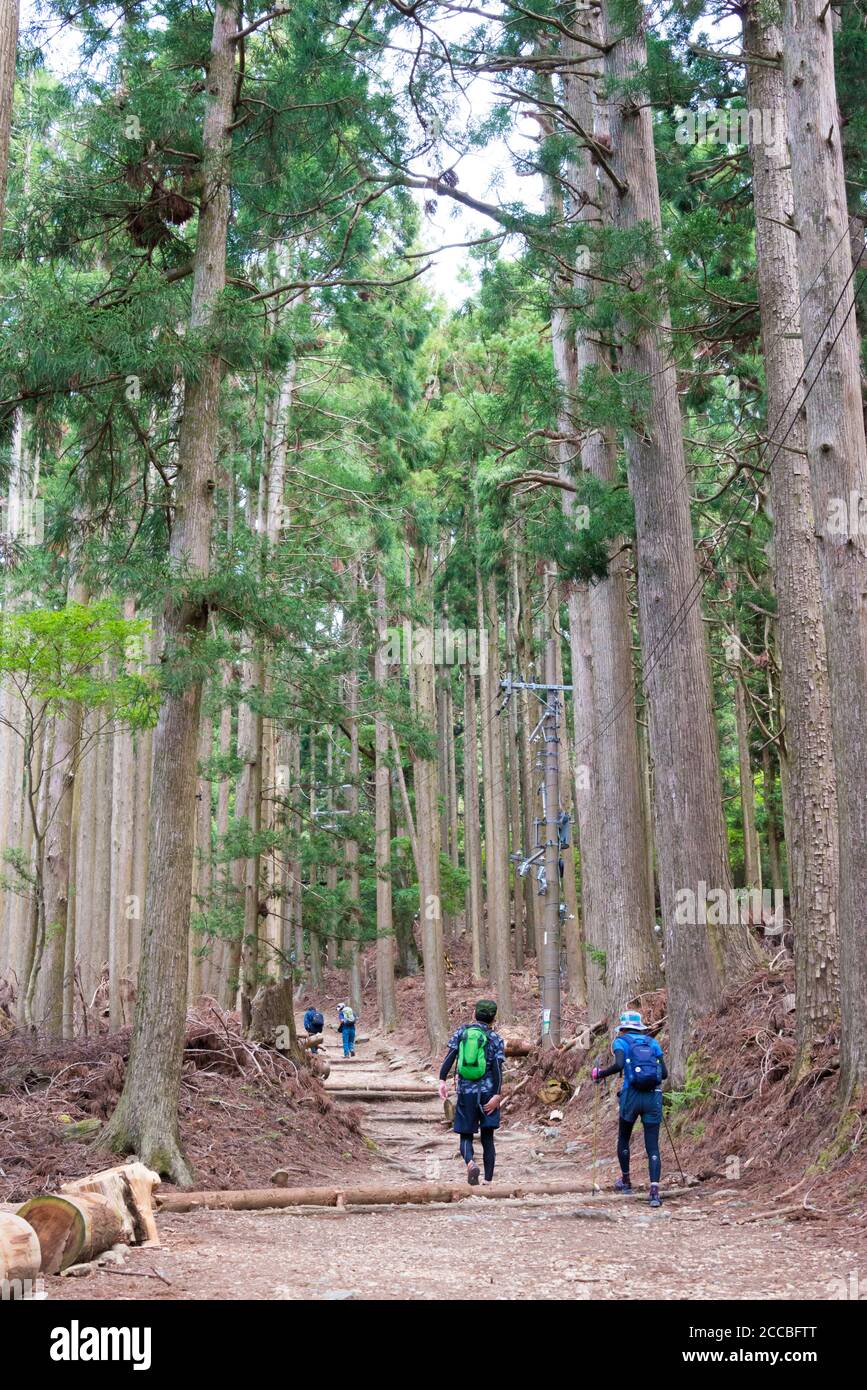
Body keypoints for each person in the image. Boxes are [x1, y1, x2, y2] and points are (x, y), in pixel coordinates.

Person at [592, 1009, 668, 1207]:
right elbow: (665, 1073)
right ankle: (654, 1192)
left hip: (631, 1096)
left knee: (624, 1137)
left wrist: (600, 1074)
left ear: (623, 1027)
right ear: (640, 1027)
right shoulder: (653, 1043)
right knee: (652, 1145)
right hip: (653, 1097)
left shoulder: (621, 1042)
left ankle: (626, 1181)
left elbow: (618, 1066)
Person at [438, 999, 505, 1186]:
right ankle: (488, 1180)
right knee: (487, 1138)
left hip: (466, 1092)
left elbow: (450, 1058)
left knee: (465, 1135)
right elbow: (498, 1070)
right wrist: (497, 1095)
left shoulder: (462, 1033)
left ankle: (470, 1163)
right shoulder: (496, 1039)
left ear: (474, 1014)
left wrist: (442, 1080)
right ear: (493, 1018)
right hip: (488, 1094)